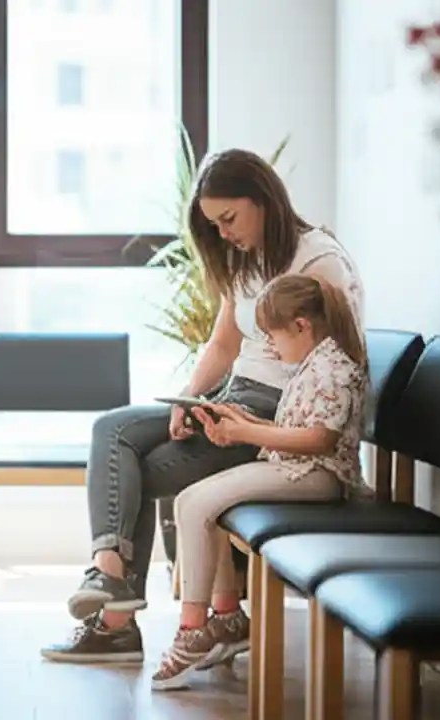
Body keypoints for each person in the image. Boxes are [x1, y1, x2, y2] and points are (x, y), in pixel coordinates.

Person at [41, 149, 364, 664]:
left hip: (274, 418)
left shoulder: (318, 259)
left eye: (228, 219)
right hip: (231, 398)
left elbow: (338, 359)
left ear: (263, 200)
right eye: (214, 225)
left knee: (137, 472)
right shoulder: (247, 260)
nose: (224, 234)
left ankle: (118, 620)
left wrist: (248, 426)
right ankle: (110, 574)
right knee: (113, 431)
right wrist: (191, 399)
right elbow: (222, 345)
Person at [150, 273, 369, 689]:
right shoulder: (316, 361)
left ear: (302, 325)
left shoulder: (336, 366)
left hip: (317, 476)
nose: (271, 346)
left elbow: (320, 439)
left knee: (196, 504)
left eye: (275, 336)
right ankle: (226, 617)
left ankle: (192, 631)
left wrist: (245, 434)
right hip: (295, 467)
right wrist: (241, 420)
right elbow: (297, 423)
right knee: (194, 499)